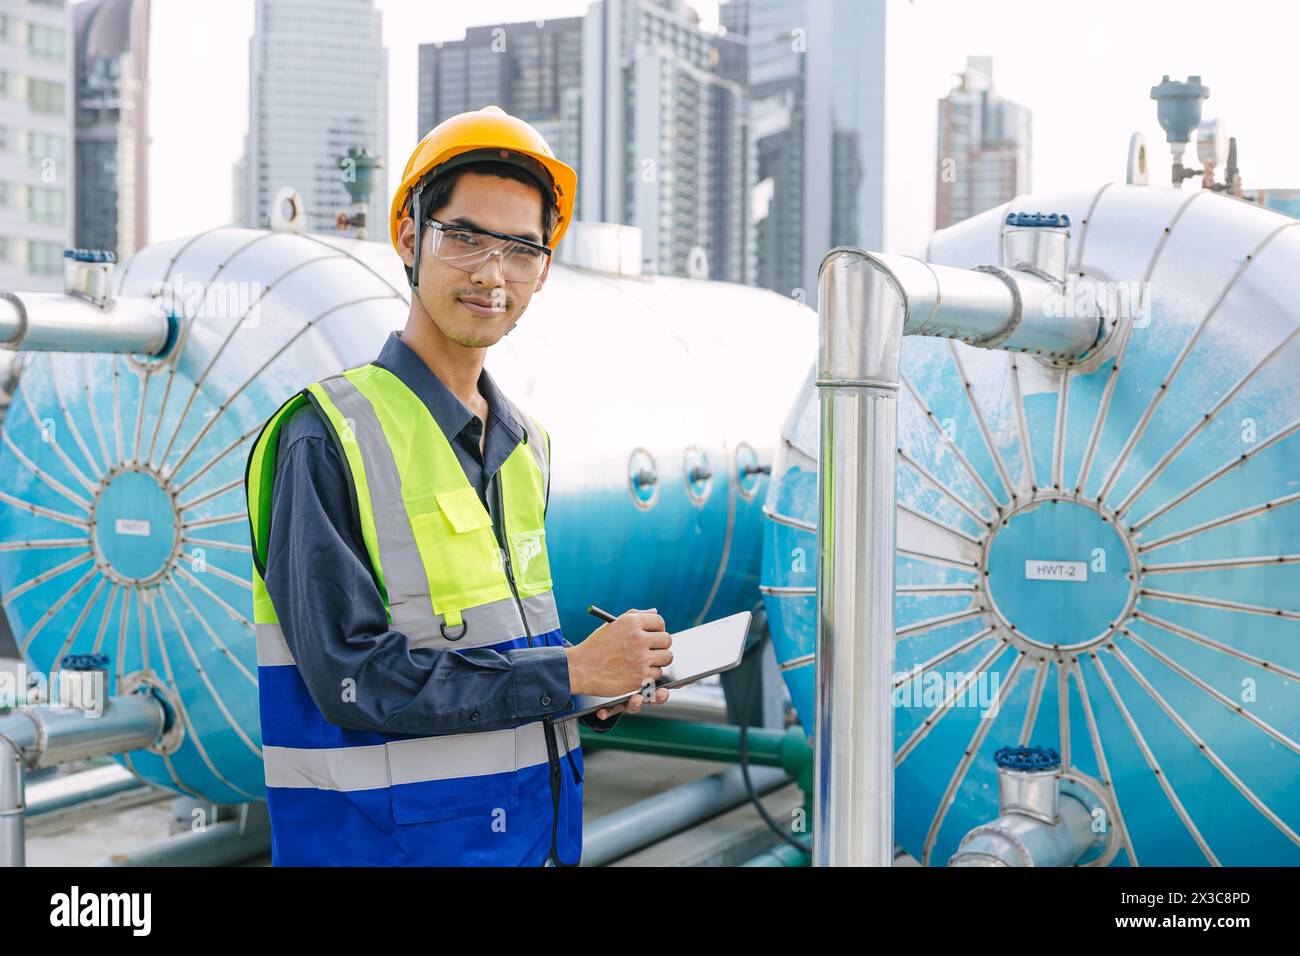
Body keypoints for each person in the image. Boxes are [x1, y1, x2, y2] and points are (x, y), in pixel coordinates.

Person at [244, 106, 673, 866]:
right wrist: (569, 671)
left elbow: (501, 656)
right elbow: (353, 681)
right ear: (410, 239)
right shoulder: (326, 438)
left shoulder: (524, 447)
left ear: (544, 267)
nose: (491, 273)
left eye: (521, 249)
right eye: (465, 237)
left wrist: (593, 684)